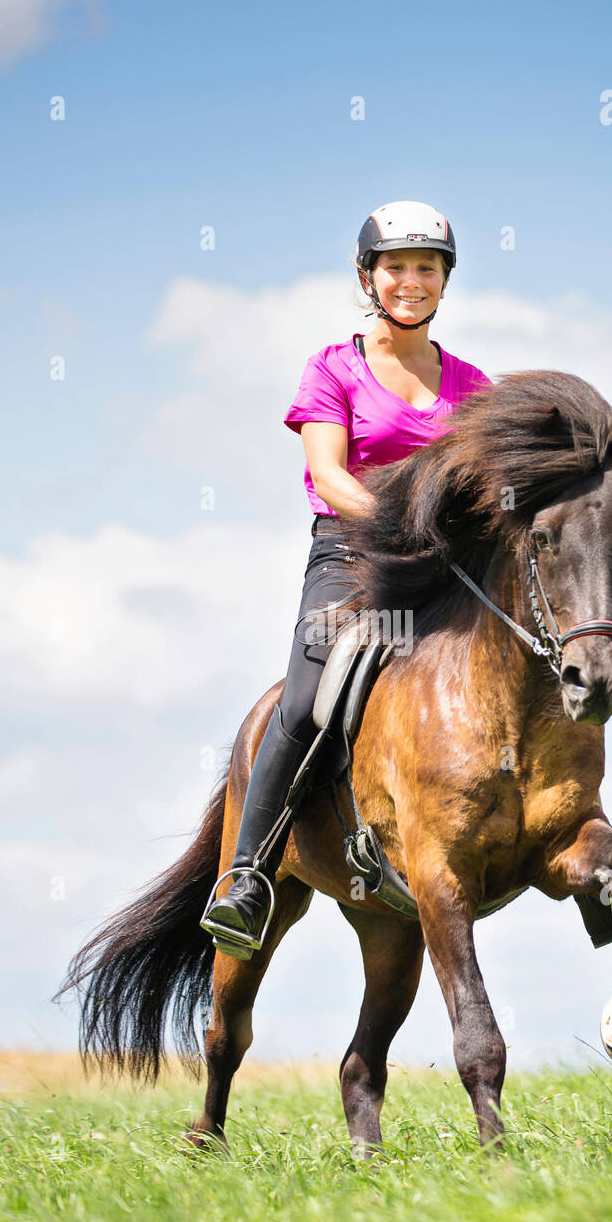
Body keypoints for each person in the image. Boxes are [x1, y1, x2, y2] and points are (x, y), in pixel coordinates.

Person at [200, 200, 493, 958]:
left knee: (529, 667)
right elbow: (327, 475)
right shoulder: (334, 366)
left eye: (426, 267)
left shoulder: (472, 384)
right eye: (396, 266)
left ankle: (587, 867)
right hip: (353, 555)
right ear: (368, 276)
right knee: (303, 699)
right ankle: (246, 877)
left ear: (444, 280)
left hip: (444, 568)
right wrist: (400, 527)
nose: (411, 280)